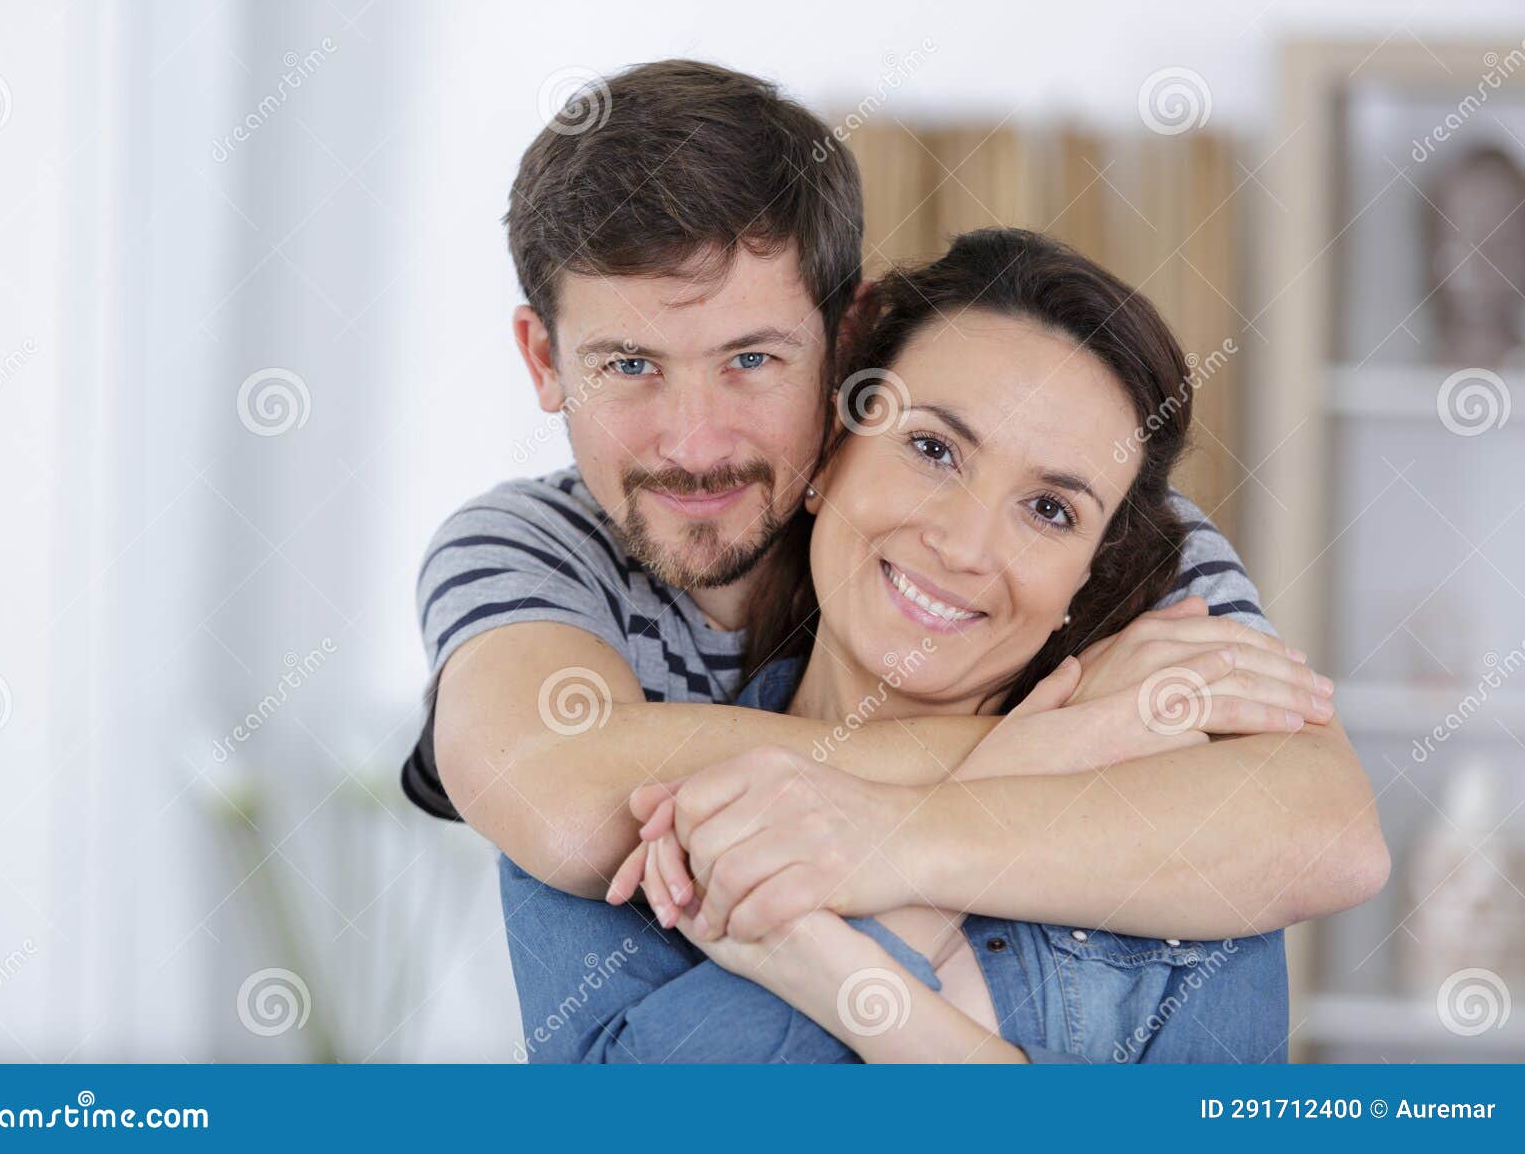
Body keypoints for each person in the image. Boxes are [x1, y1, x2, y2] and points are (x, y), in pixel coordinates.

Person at [405, 60, 1389, 1056]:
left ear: (843, 349)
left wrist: (883, 843)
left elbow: (1327, 829)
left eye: (750, 358)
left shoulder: (1123, 554)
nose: (695, 444)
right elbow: (565, 813)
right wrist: (1063, 742)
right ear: (543, 361)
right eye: (629, 366)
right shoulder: (541, 554)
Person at [505, 229, 1301, 1062]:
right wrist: (1038, 759)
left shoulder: (1191, 848)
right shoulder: (628, 802)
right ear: (826, 453)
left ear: (1083, 582)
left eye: (1050, 511)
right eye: (932, 449)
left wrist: (815, 953)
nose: (964, 545)